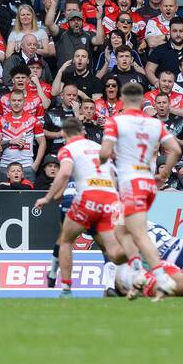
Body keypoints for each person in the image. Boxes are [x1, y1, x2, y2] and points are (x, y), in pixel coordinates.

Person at [100, 81, 182, 298]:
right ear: (143, 101)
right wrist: (164, 174)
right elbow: (175, 149)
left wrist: (103, 157)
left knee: (138, 233)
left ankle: (162, 278)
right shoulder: (155, 124)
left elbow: (104, 152)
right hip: (147, 183)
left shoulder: (115, 121)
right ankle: (138, 272)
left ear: (123, 100)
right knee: (119, 229)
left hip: (130, 184)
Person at [35, 117, 127, 297]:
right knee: (114, 251)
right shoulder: (98, 147)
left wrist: (47, 197)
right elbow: (112, 176)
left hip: (89, 197)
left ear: (63, 134)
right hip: (112, 200)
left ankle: (67, 289)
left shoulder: (67, 149)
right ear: (83, 131)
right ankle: (136, 249)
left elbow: (65, 173)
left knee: (66, 239)